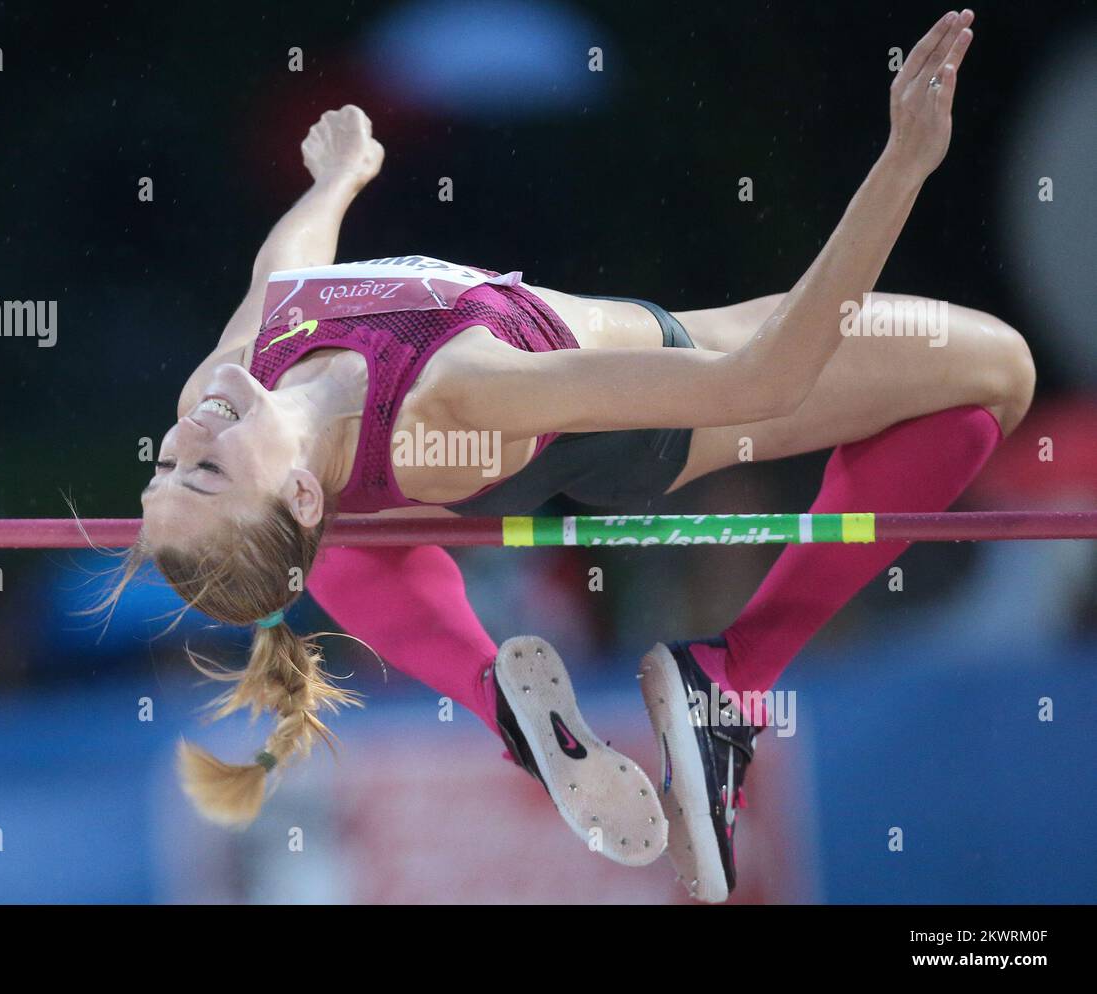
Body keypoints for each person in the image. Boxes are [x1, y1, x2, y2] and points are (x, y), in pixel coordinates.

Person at [111, 9, 1033, 898]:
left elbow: (281, 278)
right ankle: (735, 673)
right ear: (300, 489)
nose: (187, 434)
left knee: (337, 538)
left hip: (401, 485)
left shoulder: (222, 384)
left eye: (165, 464)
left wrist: (335, 183)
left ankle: (493, 693)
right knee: (999, 372)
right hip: (672, 403)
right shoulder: (450, 398)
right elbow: (765, 381)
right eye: (208, 469)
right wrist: (903, 166)